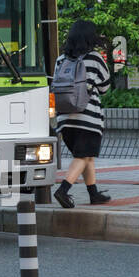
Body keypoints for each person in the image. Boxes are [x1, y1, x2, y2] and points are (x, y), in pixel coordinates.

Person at [51, 20, 113, 209]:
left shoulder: (61, 60)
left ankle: (94, 194)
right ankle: (63, 189)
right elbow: (105, 87)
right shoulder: (94, 58)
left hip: (64, 119)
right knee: (83, 156)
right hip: (88, 119)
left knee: (87, 156)